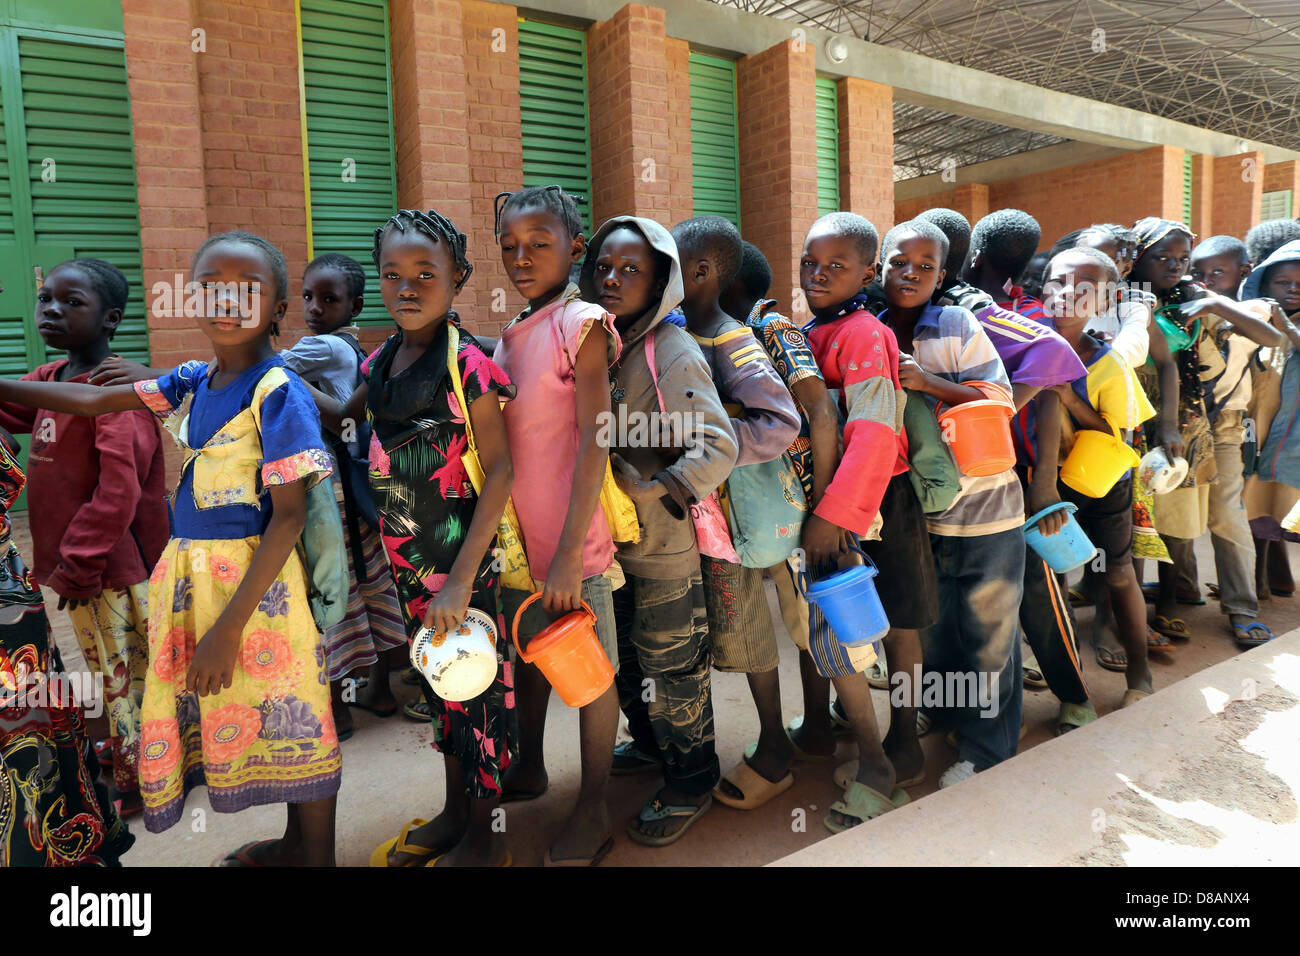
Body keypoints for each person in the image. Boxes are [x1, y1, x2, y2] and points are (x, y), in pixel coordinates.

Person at [0, 232, 342, 865]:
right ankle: (296, 844)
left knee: (297, 708)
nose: (225, 300)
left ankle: (315, 854)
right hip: (195, 579)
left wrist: (228, 631)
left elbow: (289, 518)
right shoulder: (197, 379)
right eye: (210, 286)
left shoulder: (278, 391)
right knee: (255, 707)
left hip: (259, 587)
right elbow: (96, 398)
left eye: (246, 289)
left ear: (279, 309)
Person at [312, 210, 516, 868]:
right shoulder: (380, 360)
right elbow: (346, 415)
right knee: (440, 692)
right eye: (393, 275)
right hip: (408, 570)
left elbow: (503, 469)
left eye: (426, 274)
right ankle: (455, 815)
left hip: (464, 573)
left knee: (478, 697)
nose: (408, 287)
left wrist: (460, 579)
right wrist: (266, 369)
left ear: (458, 276)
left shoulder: (470, 366)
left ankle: (486, 841)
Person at [580, 215, 738, 847]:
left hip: (662, 548)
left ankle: (693, 778)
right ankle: (651, 749)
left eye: (631, 271)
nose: (613, 280)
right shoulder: (599, 341)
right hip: (612, 548)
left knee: (672, 666)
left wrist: (656, 487)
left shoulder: (668, 352)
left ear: (661, 282)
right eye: (605, 269)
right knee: (625, 666)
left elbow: (718, 444)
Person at [914, 208, 1093, 736]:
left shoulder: (980, 313)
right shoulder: (926, 311)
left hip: (1009, 481)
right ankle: (948, 707)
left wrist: (995, 413)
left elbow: (1054, 370)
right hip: (959, 484)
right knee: (959, 612)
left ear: (955, 262)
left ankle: (1073, 693)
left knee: (1034, 600)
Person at [0, 258, 167, 819]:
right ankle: (119, 751)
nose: (51, 310)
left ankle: (143, 774)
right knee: (98, 668)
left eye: (71, 303)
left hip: (111, 569)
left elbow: (118, 492)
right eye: (46, 298)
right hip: (79, 571)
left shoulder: (117, 391)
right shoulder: (52, 379)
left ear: (111, 318)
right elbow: (13, 402)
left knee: (127, 673)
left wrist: (79, 562)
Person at [490, 185, 622, 866]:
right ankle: (532, 766)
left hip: (574, 541)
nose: (521, 256)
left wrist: (571, 552)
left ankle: (595, 806)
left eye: (539, 243)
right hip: (521, 543)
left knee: (590, 672)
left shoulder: (583, 322)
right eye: (509, 245)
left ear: (575, 247)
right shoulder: (511, 333)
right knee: (533, 655)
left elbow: (596, 436)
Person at [876, 219, 1024, 786]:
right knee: (935, 629)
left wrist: (929, 382)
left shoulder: (955, 321)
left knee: (989, 637)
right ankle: (945, 716)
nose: (910, 273)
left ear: (942, 275)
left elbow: (999, 397)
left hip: (988, 509)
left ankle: (988, 751)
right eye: (899, 262)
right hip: (922, 515)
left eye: (925, 266)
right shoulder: (874, 325)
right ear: (881, 266)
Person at [796, 211, 928, 826]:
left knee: (898, 622)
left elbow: (874, 435)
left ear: (867, 273)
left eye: (836, 267)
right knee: (834, 617)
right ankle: (829, 725)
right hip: (833, 508)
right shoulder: (807, 330)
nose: (818, 275)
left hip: (880, 500)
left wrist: (837, 515)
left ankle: (903, 739)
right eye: (810, 264)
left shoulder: (865, 334)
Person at [670, 216, 801, 813]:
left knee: (748, 633)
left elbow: (780, 424)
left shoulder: (731, 339)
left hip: (730, 520)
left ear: (700, 272)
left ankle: (774, 749)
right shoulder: (678, 330)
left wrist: (710, 445)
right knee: (715, 633)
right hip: (694, 516)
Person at [718, 241, 864, 773]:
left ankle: (826, 729)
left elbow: (821, 414)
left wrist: (825, 508)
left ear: (729, 285)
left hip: (800, 501)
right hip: (765, 504)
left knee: (807, 620)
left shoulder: (773, 330)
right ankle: (816, 725)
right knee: (792, 617)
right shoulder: (718, 335)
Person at [0, 421, 134, 866]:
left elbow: (119, 488)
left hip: (13, 614)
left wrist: (77, 562)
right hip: (15, 611)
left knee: (35, 729)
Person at [1042, 247, 1157, 707]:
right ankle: (1074, 690)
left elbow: (1118, 434)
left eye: (1086, 288)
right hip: (1047, 482)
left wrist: (1068, 399)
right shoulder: (1022, 342)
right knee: (1052, 584)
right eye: (1059, 281)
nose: (1069, 294)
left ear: (1106, 300)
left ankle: (1140, 675)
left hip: (1101, 480)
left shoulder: (1107, 362)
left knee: (1118, 573)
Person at [1183, 236, 1284, 647]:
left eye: (1218, 273)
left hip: (1225, 427)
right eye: (1199, 273)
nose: (1206, 281)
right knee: (1179, 510)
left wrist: (1214, 303)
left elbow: (1273, 339)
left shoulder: (1252, 309)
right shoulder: (1184, 306)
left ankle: (1242, 607)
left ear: (1244, 271)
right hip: (1185, 422)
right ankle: (1184, 585)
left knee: (1226, 513)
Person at [1241, 241, 1300, 614]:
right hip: (1258, 428)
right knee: (1255, 503)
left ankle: (1275, 578)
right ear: (1265, 284)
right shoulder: (1255, 318)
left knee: (1284, 504)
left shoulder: (1286, 324)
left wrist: (1287, 327)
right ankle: (1260, 580)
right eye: (1283, 282)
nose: (1293, 289)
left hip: (1292, 436)